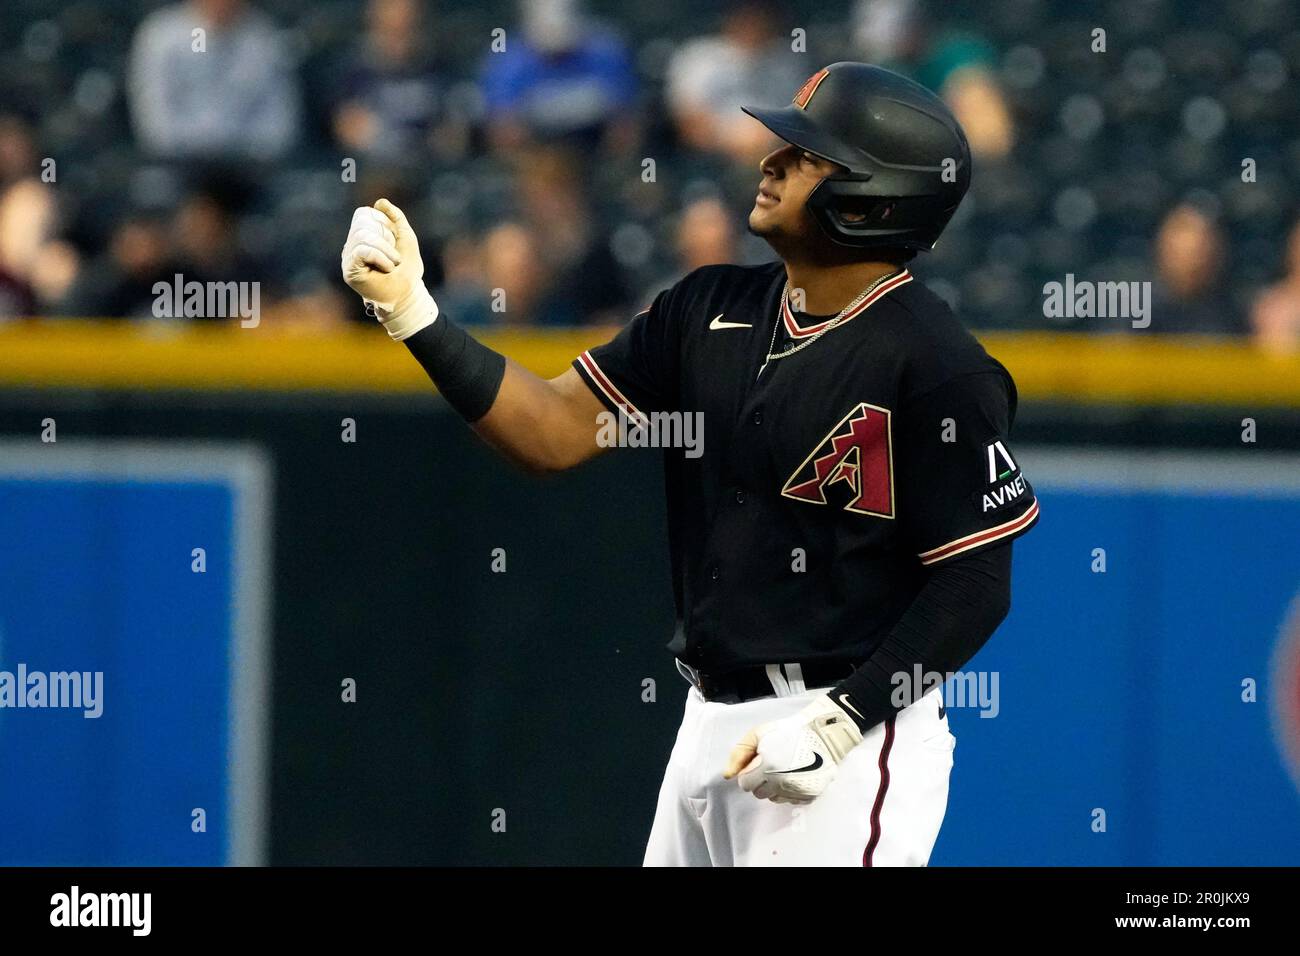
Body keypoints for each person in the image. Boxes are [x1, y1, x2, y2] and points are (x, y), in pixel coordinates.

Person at [339, 62, 1039, 866]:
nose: (770, 161)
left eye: (806, 155)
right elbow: (555, 431)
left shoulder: (938, 365)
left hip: (845, 734)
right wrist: (415, 314)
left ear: (873, 199)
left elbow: (975, 583)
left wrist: (844, 722)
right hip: (706, 721)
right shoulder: (707, 307)